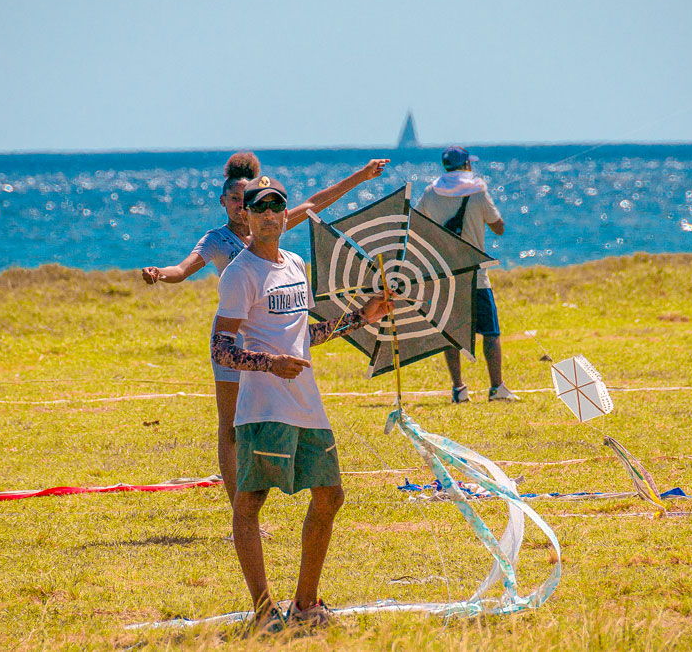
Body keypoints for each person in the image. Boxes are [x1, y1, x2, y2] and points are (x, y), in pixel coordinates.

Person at [141, 154, 389, 508]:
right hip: (234, 342)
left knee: (272, 419)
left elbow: (316, 202)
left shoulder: (274, 224)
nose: (244, 205)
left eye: (248, 197)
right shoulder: (217, 239)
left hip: (275, 339)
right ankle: (239, 511)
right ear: (226, 203)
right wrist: (159, 273)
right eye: (235, 199)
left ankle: (262, 495)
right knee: (230, 429)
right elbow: (182, 269)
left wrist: (361, 177)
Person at [211, 175, 393, 633]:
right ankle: (262, 612)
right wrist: (268, 363)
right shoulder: (239, 274)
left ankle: (305, 605)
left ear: (285, 215)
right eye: (260, 207)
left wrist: (359, 317)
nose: (270, 215)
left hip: (306, 403)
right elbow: (220, 348)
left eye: (277, 207)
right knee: (250, 503)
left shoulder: (294, 264)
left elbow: (303, 337)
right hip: (263, 407)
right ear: (245, 215)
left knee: (331, 496)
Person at [414, 146, 519, 403]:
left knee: (451, 333)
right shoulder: (478, 191)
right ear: (467, 165)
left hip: (445, 275)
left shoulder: (430, 192)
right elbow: (499, 228)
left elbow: (415, 224)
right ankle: (497, 388)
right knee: (491, 333)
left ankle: (458, 389)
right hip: (477, 275)